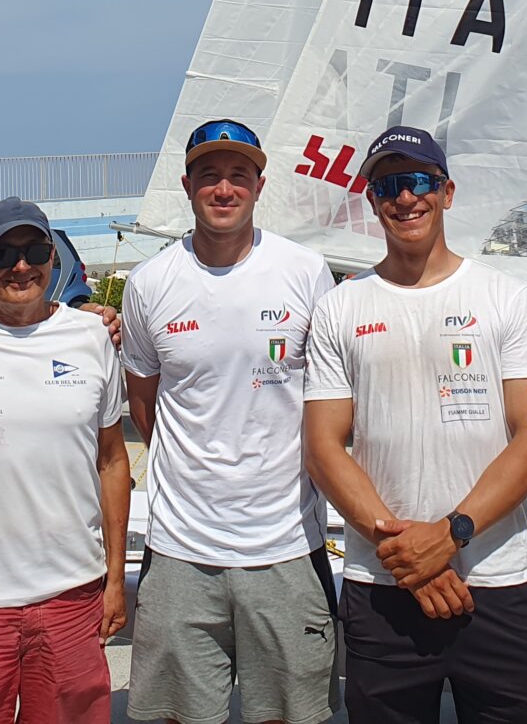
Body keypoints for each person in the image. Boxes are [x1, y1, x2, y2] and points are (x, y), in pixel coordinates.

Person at [303, 126, 527, 724]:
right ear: (371, 200)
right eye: (389, 185)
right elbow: (323, 446)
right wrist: (406, 554)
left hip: (496, 579)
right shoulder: (342, 305)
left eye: (420, 181)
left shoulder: (506, 298)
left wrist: (450, 535)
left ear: (446, 192)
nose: (405, 198)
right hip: (384, 584)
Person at [119, 118, 339, 724]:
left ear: (259, 185)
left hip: (287, 546)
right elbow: (146, 403)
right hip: (182, 549)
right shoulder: (150, 282)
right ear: (187, 185)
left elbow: (328, 399)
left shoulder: (305, 272)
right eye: (209, 176)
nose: (224, 189)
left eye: (237, 176)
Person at [0, 197, 131, 722]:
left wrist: (113, 579)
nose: (21, 265)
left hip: (71, 597)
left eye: (35, 249)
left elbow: (112, 462)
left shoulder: (91, 336)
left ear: (53, 258)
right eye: (3, 254)